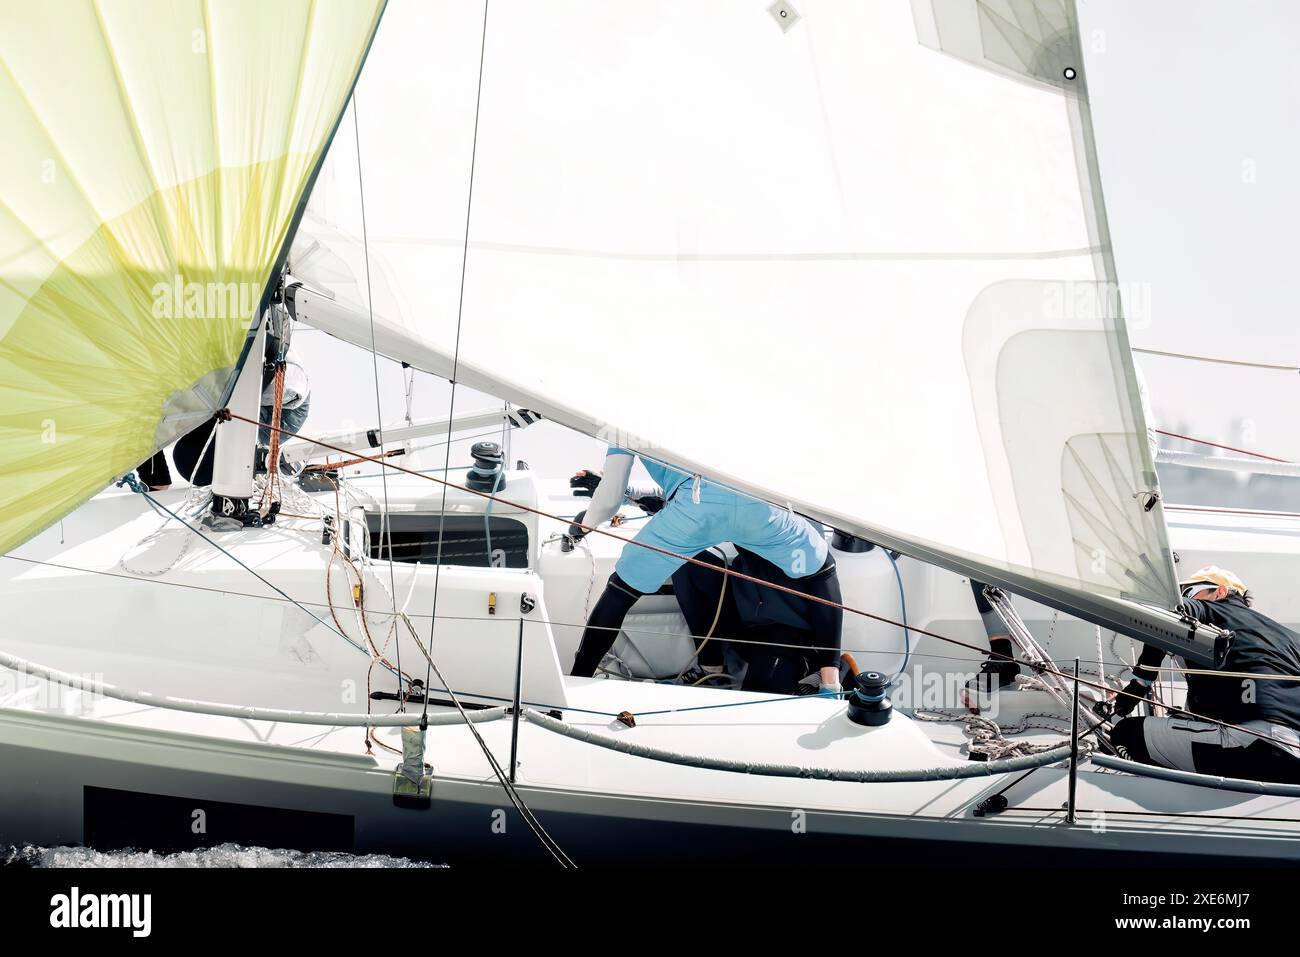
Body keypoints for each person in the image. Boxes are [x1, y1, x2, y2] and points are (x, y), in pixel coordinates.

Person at [567, 447, 843, 695]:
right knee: (821, 569)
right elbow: (716, 484)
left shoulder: (627, 414)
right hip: (753, 513)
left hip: (787, 635)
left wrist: (585, 524)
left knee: (620, 591)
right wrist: (632, 494)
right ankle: (826, 680)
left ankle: (576, 680)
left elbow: (697, 492)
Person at [1108, 566, 1300, 784]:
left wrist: (1139, 684)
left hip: (1255, 748)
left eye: (1189, 593)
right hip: (1295, 754)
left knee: (1126, 734)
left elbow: (1167, 614)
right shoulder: (1290, 638)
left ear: (1220, 592)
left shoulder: (1212, 610)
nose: (1186, 599)